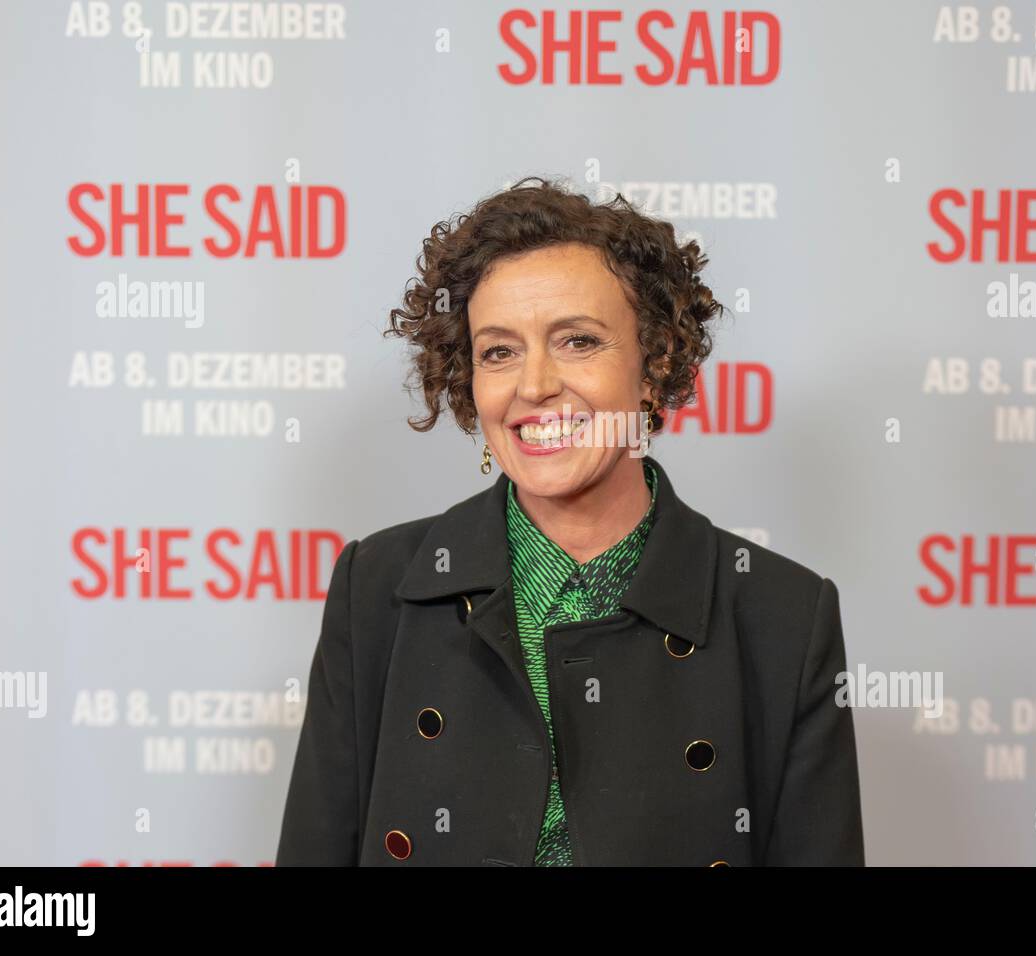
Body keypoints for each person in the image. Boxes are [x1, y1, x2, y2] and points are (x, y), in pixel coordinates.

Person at [275, 177, 864, 866]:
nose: (534, 386)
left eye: (578, 341)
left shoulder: (782, 615)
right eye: (499, 351)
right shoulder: (377, 587)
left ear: (657, 361)